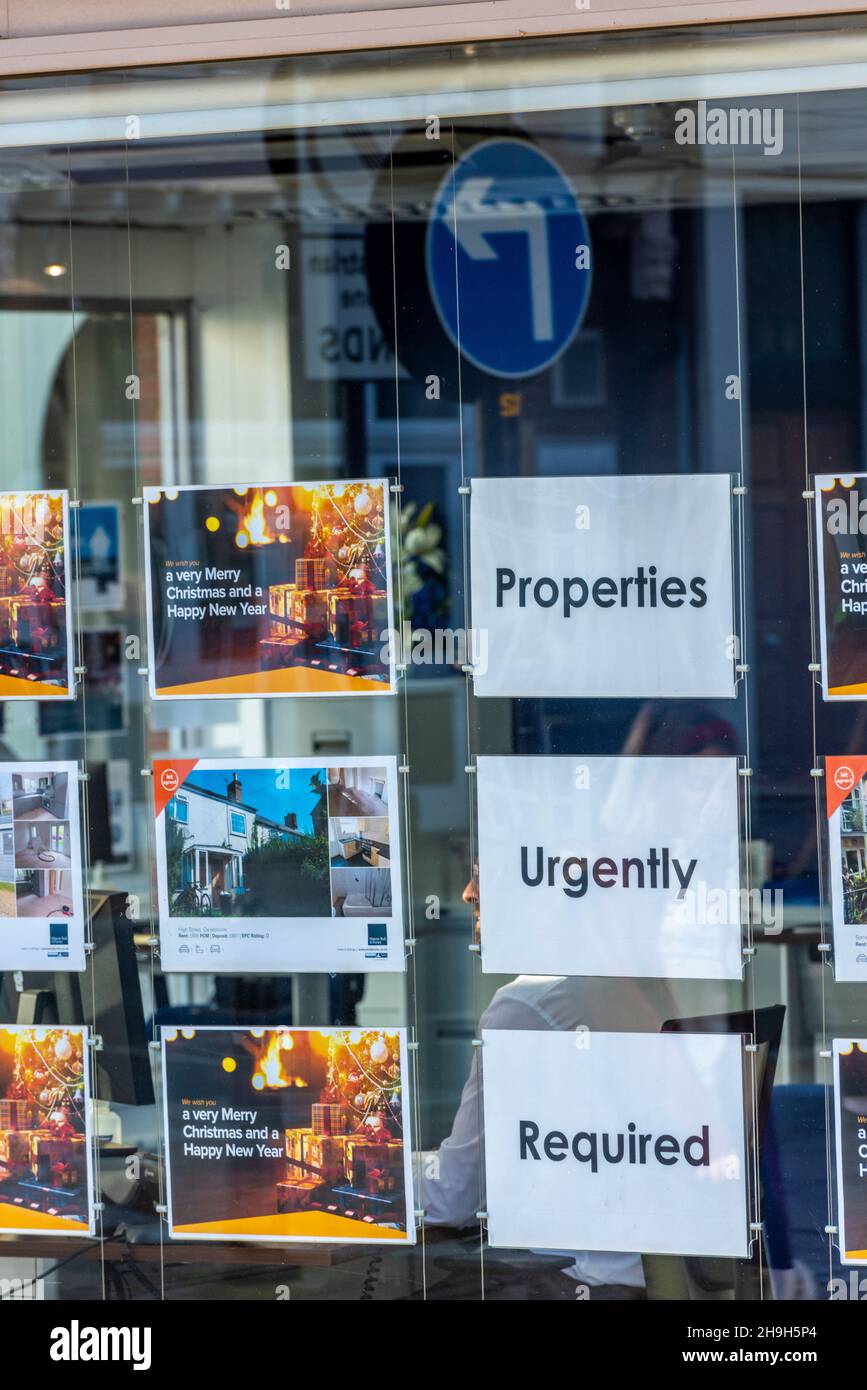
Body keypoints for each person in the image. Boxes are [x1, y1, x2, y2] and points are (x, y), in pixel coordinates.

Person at [416, 866, 680, 1299]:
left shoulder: (526, 1003)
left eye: (482, 872)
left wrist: (374, 1167)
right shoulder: (625, 981)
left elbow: (453, 1198)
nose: (466, 893)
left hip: (577, 1281)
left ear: (535, 875)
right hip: (650, 1275)